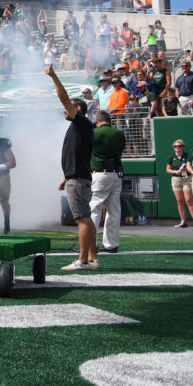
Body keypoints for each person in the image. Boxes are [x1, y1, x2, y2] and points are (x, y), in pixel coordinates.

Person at [45, 64, 99, 271]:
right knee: (86, 217)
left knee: (82, 219)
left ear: (77, 109)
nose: (64, 111)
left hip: (78, 179)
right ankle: (93, 258)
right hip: (76, 177)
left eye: (69, 108)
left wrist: (54, 76)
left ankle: (83, 260)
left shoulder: (80, 122)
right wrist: (66, 178)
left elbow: (64, 98)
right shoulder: (81, 127)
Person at [88, 111, 126, 254]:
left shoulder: (94, 133)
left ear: (97, 121)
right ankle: (111, 244)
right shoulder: (119, 134)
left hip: (100, 172)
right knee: (114, 210)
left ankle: (90, 243)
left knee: (94, 209)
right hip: (116, 173)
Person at [165, 139, 193, 229]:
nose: (177, 148)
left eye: (179, 146)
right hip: (176, 179)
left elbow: (192, 167)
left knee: (188, 200)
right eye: (175, 146)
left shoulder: (188, 156)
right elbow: (168, 170)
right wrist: (176, 171)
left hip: (187, 178)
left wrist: (185, 169)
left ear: (183, 147)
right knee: (179, 200)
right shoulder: (171, 157)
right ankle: (183, 221)